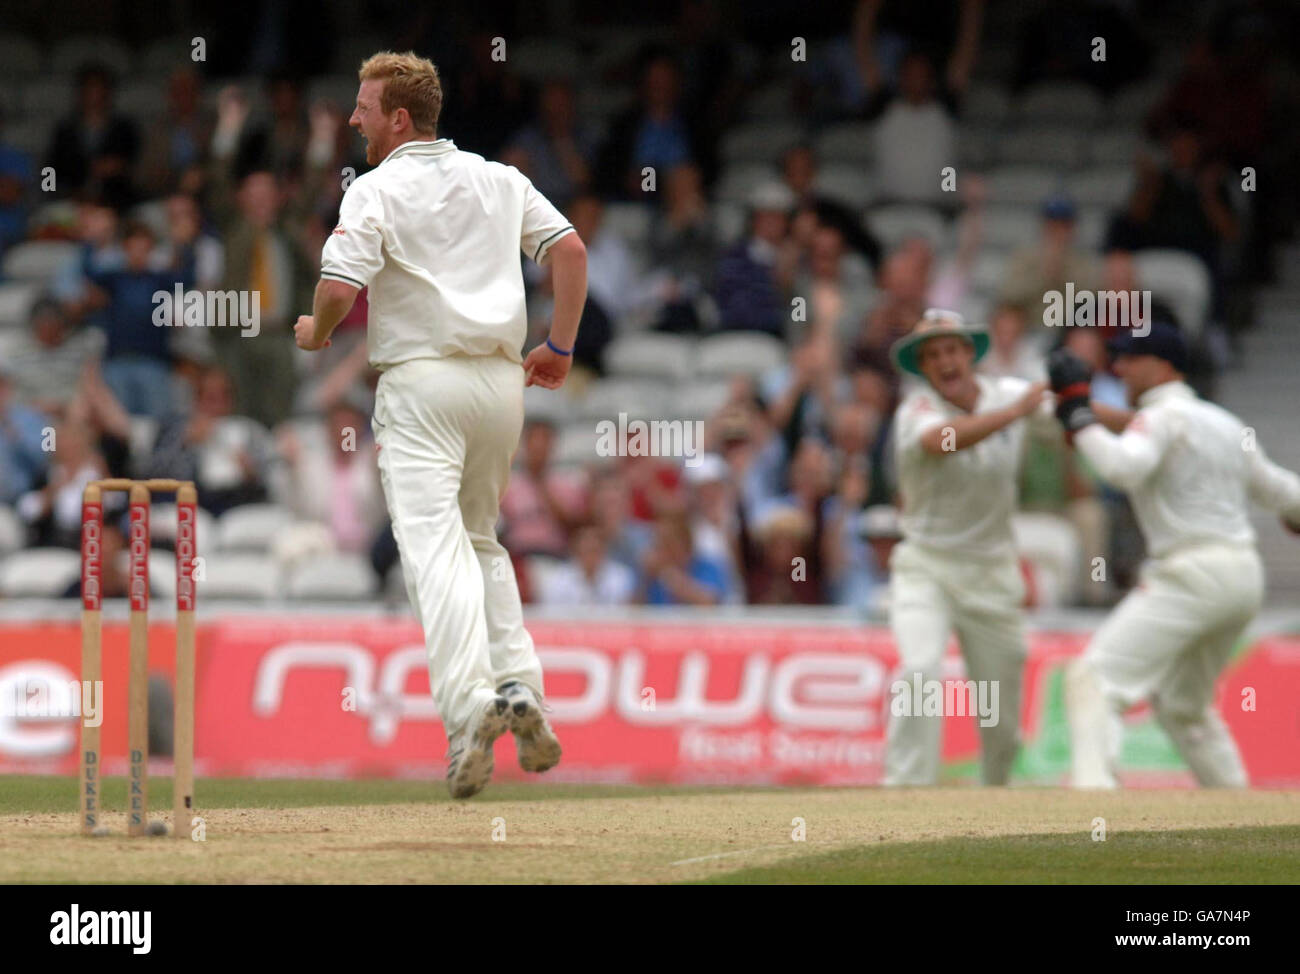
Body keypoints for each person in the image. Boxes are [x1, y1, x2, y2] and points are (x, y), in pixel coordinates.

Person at [293, 52, 588, 800]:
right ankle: (521, 685)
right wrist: (559, 346)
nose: (353, 118)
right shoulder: (497, 176)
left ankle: (469, 715)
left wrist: (317, 333)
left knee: (434, 553)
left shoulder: (376, 188)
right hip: (498, 384)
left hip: (421, 383)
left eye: (363, 107)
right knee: (481, 540)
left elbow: (336, 287)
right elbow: (571, 251)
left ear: (398, 118)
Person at [1049, 324, 1300, 788]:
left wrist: (1078, 415)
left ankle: (1091, 805)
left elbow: (1123, 468)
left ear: (1162, 365)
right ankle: (1241, 815)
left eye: (1129, 358)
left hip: (1191, 574)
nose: (1118, 367)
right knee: (1184, 706)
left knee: (1094, 678)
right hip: (1242, 577)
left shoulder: (1159, 419)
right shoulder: (1225, 424)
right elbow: (1282, 489)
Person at [884, 309, 1050, 786]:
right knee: (918, 673)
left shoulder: (1009, 394)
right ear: (923, 367)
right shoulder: (916, 411)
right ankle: (901, 798)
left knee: (1002, 721)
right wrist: (1017, 413)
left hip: (992, 571)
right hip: (925, 566)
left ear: (969, 354)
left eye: (952, 349)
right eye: (932, 355)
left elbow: (1066, 407)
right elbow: (943, 441)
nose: (944, 361)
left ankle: (995, 797)